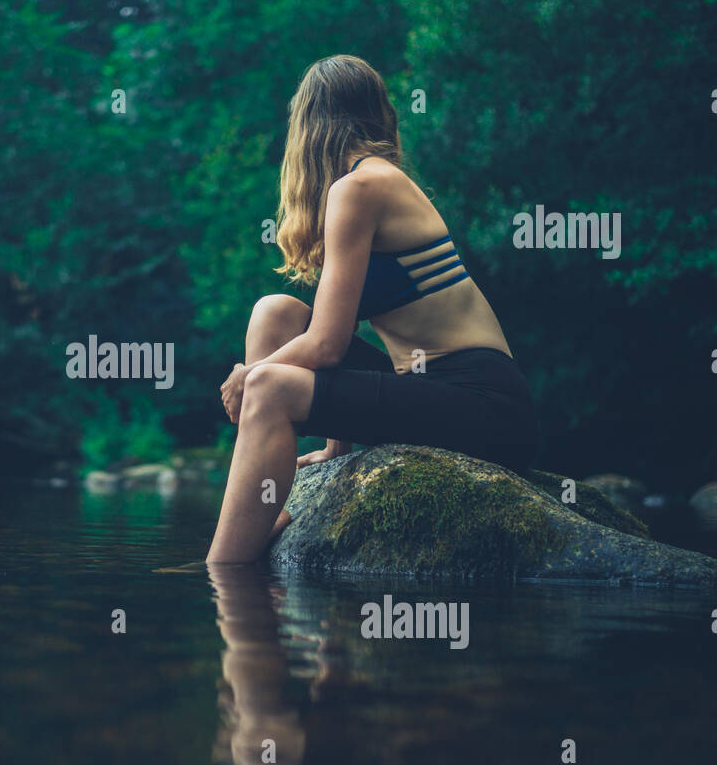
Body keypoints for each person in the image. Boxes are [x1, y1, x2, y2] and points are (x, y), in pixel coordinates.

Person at [206, 55, 539, 564]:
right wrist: (337, 447)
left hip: (482, 402)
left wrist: (250, 375)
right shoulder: (367, 183)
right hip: (429, 385)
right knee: (274, 312)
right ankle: (266, 508)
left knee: (269, 387)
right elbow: (333, 334)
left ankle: (223, 569)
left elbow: (327, 345)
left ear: (310, 126)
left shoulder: (360, 188)